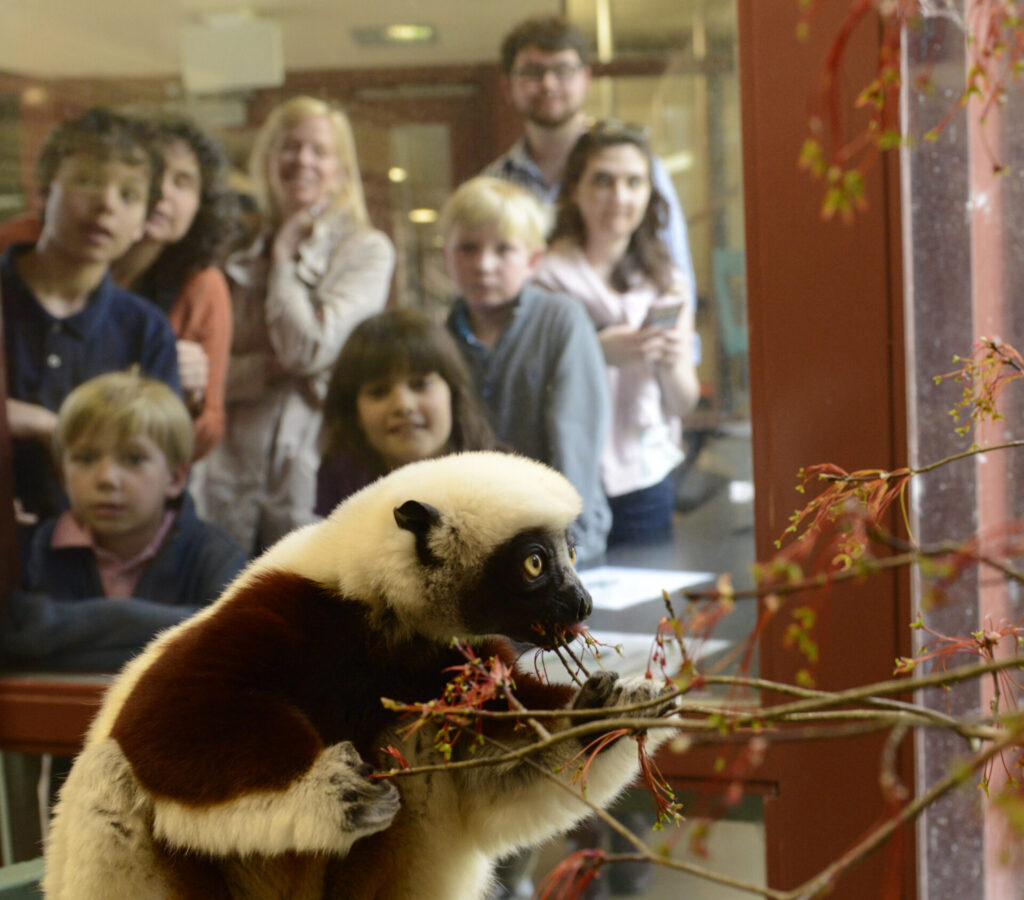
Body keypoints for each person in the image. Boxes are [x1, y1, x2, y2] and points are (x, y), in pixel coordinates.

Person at [199, 96, 396, 555]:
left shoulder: (366, 250)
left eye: (319, 151)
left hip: (315, 458)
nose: (302, 160)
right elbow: (208, 371)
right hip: (225, 465)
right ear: (267, 159)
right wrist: (264, 369)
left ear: (340, 171)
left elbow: (306, 351)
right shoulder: (230, 249)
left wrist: (285, 262)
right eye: (289, 146)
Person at [1, 107, 180, 526]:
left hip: (94, 547)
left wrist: (49, 426)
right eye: (87, 181)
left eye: (129, 195)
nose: (106, 205)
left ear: (142, 225)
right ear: (43, 193)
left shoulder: (146, 329)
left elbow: (157, 466)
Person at [1, 370, 246, 672]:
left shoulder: (216, 554)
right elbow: (14, 642)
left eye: (133, 459)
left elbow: (234, 642)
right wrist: (179, 632)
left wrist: (55, 629)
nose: (107, 479)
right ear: (63, 475)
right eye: (86, 459)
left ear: (175, 478)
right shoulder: (36, 549)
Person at [533, 122, 700, 546]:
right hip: (564, 477)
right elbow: (525, 389)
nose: (620, 197)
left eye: (634, 182)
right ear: (575, 188)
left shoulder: (667, 280)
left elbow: (683, 401)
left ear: (649, 193)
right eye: (603, 181)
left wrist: (668, 362)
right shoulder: (542, 278)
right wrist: (594, 352)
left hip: (645, 475)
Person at [440, 176, 611, 563]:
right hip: (475, 543)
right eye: (467, 248)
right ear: (447, 256)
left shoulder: (561, 321)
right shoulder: (439, 336)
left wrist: (567, 541)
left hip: (560, 538)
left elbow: (575, 440)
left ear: (533, 260)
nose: (484, 264)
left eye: (503, 249)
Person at [484, 15, 696, 300]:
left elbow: (677, 280)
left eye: (563, 70)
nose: (548, 84)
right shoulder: (491, 186)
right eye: (532, 72)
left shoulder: (638, 168)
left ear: (586, 79)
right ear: (507, 86)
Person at [110, 115, 239, 460]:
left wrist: (187, 397)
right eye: (153, 172)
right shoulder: (57, 253)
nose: (164, 192)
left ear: (202, 205)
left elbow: (208, 428)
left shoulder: (203, 284)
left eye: (183, 182)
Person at [316, 308, 497, 514]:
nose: (403, 405)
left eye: (420, 385)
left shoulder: (504, 479)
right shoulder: (339, 482)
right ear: (354, 412)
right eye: (379, 392)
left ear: (454, 395)